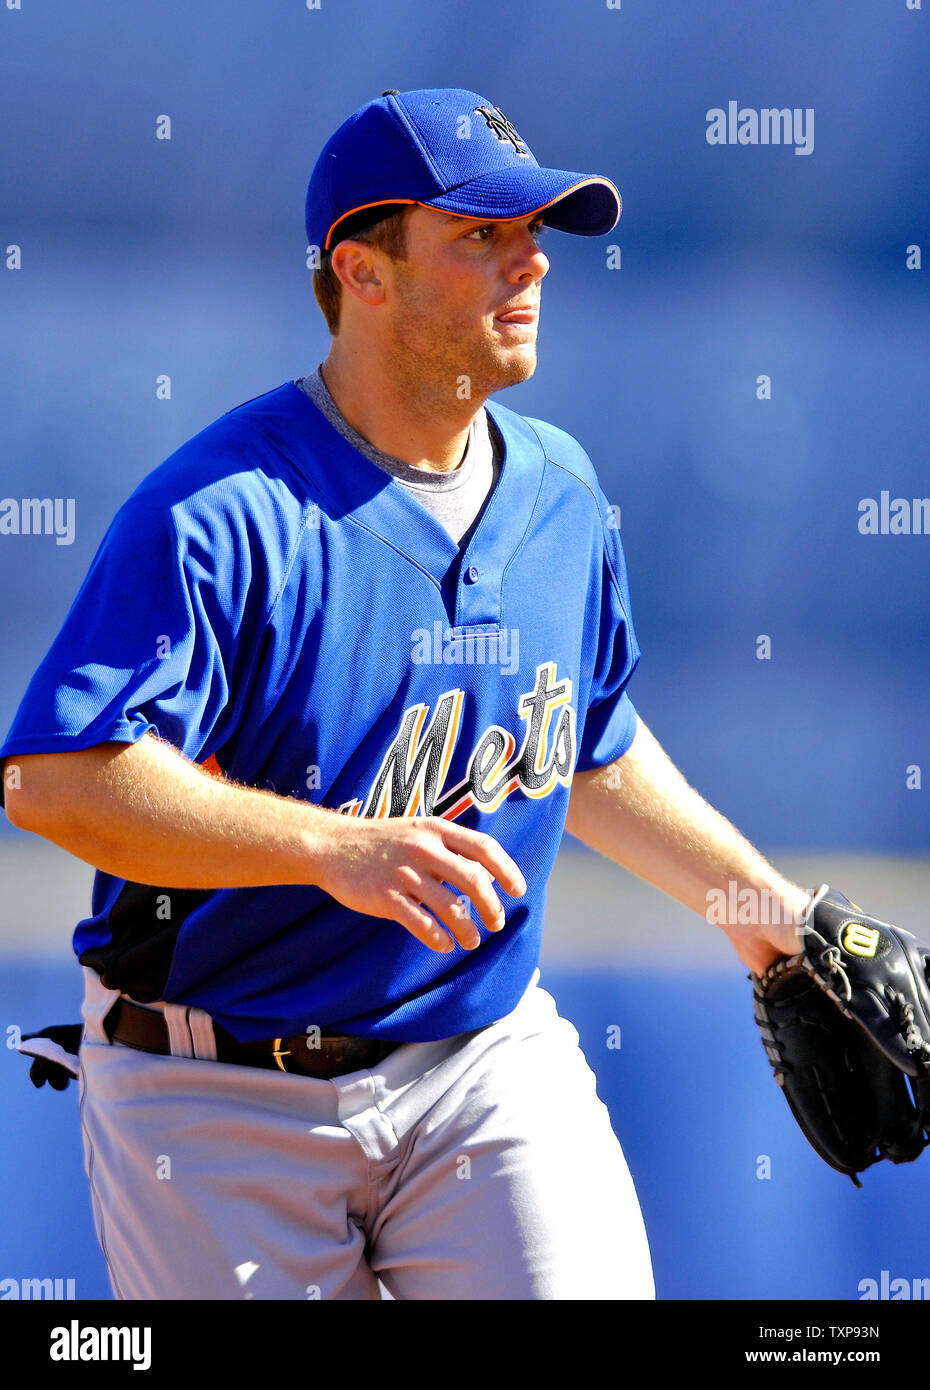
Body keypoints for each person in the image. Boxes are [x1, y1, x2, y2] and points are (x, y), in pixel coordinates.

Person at [0, 87, 808, 1301]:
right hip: (215, 1088)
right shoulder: (224, 511)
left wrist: (766, 916)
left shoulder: (562, 493)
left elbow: (583, 748)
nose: (529, 259)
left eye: (535, 231)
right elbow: (57, 779)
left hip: (480, 1062)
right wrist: (336, 848)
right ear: (360, 273)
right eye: (479, 234)